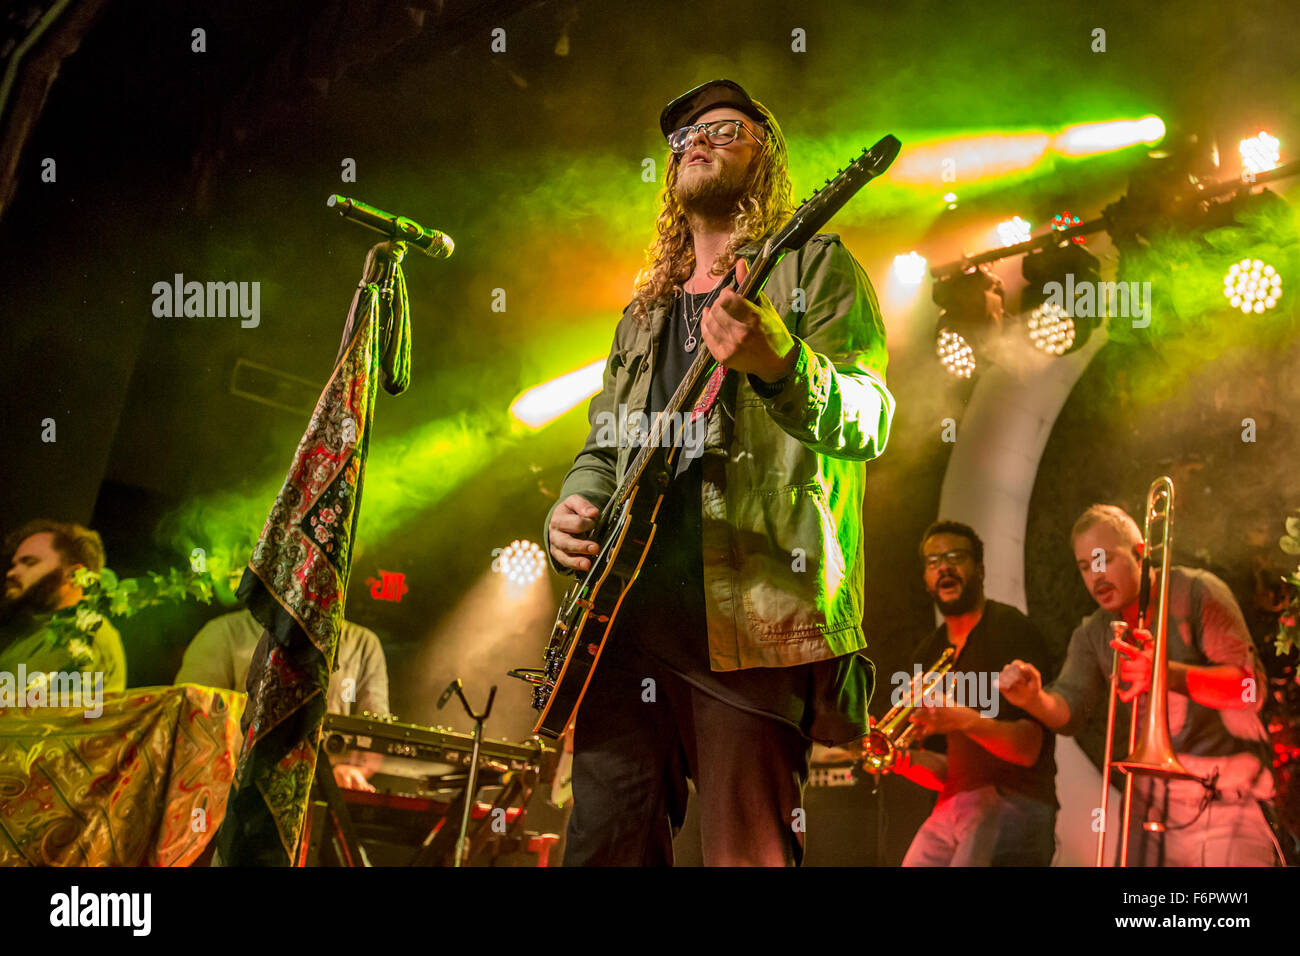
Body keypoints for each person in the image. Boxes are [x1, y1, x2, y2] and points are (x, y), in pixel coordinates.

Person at [544, 79, 895, 866]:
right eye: (683, 137)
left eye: (724, 128)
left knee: (748, 855)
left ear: (764, 158)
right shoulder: (644, 314)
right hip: (626, 624)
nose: (696, 139)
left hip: (754, 623)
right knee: (600, 848)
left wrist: (781, 363)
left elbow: (870, 420)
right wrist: (572, 501)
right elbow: (607, 446)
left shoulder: (815, 269)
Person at [1002, 503, 1281, 866]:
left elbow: (1250, 691)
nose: (1095, 575)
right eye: (1085, 566)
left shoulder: (1198, 592)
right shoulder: (1094, 632)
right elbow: (1067, 711)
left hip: (1228, 803)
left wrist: (1165, 674)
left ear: (1140, 553)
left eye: (1104, 559)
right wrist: (1034, 699)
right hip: (1150, 811)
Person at [888, 521, 1058, 865]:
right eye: (933, 562)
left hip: (1015, 799)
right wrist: (898, 758)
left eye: (956, 557)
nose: (944, 568)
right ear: (926, 579)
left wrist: (962, 719)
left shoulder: (1013, 630)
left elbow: (1027, 749)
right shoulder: (927, 652)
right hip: (952, 805)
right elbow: (945, 771)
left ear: (980, 569)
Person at [176, 549, 389, 791]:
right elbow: (191, 726)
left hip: (324, 795)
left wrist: (352, 770)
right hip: (237, 794)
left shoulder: (362, 643)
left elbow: (376, 735)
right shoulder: (221, 634)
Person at [0, 519, 126, 694]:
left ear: (74, 574)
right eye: (14, 564)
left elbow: (42, 718)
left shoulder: (86, 634)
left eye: (29, 562)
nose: (11, 572)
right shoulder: (29, 633)